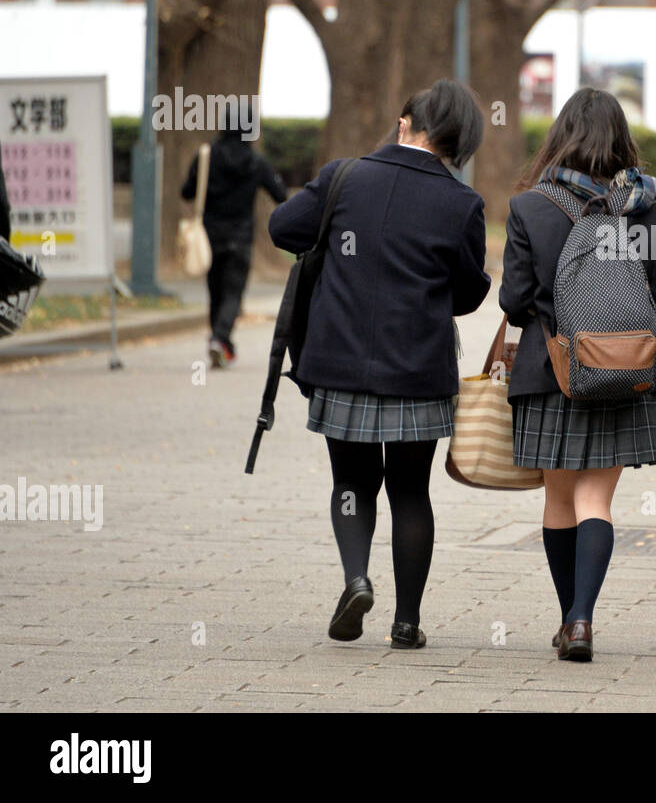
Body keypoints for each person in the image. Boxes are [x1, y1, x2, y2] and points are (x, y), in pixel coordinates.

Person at [268, 81, 490, 650]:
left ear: (404, 122)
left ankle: (356, 579)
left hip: (340, 362)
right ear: (461, 143)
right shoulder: (461, 204)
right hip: (417, 366)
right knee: (411, 492)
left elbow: (283, 229)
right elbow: (465, 295)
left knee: (352, 482)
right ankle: (407, 622)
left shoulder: (346, 176)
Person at [500, 87, 656, 663]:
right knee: (596, 498)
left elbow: (515, 299)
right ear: (621, 138)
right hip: (624, 365)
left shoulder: (530, 206)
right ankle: (582, 617)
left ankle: (570, 620)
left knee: (558, 500)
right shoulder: (645, 203)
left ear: (561, 136)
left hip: (552, 369)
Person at [181, 108, 288, 368]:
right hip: (240, 236)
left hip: (210, 235)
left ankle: (220, 341)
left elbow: (186, 192)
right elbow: (280, 195)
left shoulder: (207, 156)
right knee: (233, 293)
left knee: (215, 291)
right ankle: (221, 339)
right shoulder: (255, 161)